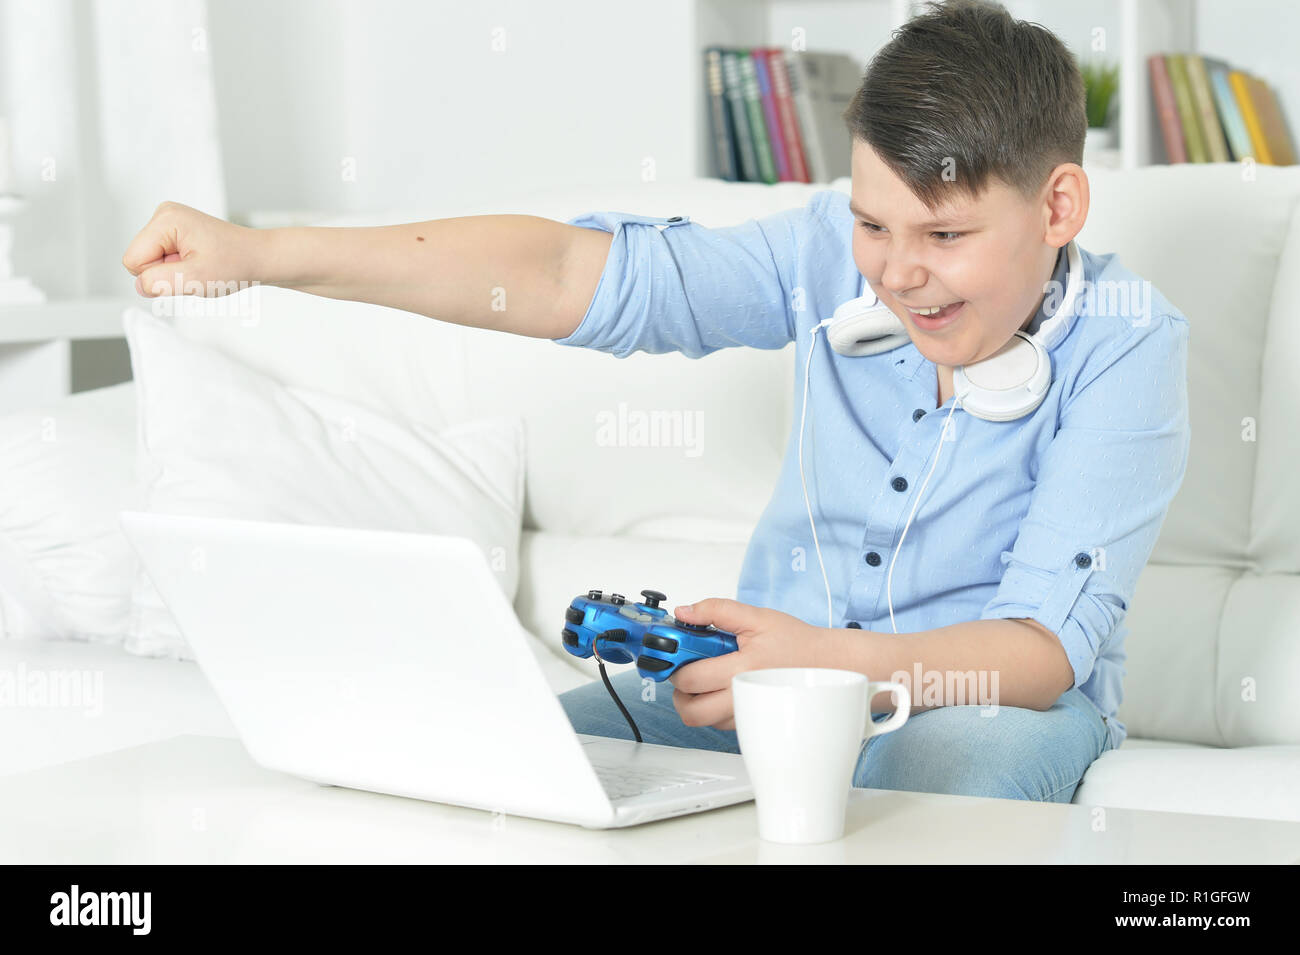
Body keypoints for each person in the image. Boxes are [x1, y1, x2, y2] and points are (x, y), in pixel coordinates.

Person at [123, 0, 1190, 804]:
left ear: (1057, 205)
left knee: (956, 780)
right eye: (875, 225)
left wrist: (826, 664)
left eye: (944, 237)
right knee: (543, 766)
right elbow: (556, 275)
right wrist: (259, 253)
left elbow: (1043, 646)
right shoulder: (827, 251)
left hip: (976, 706)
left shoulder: (1128, 341)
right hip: (765, 689)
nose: (896, 276)